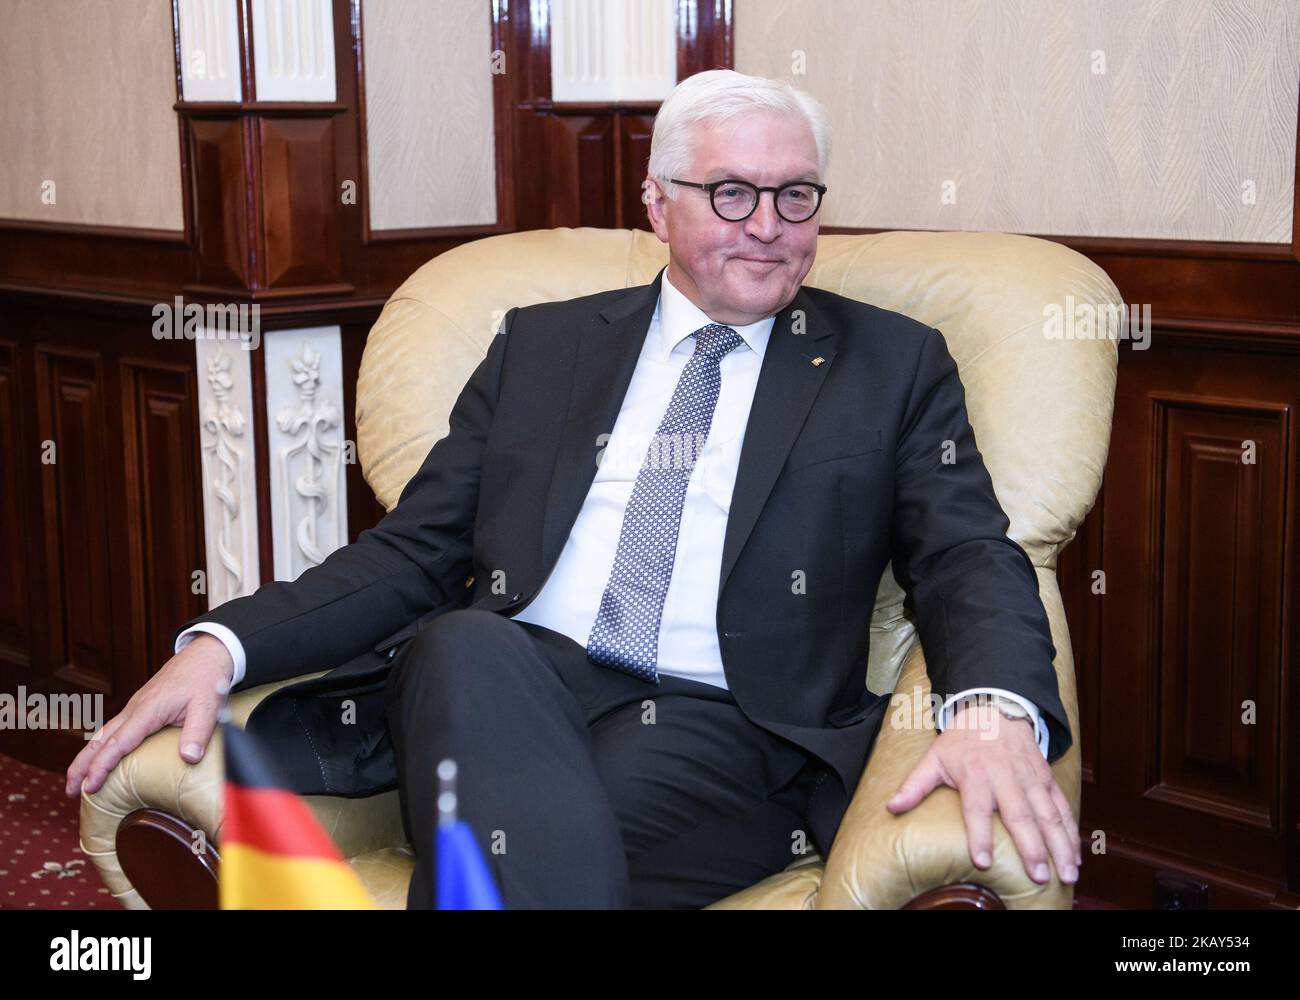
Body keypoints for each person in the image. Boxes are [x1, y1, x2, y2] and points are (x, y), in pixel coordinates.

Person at [67, 69, 1080, 908]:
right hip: (506, 686)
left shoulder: (889, 365)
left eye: (795, 194)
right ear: (656, 203)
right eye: (731, 191)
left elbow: (967, 553)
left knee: (513, 855)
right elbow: (412, 551)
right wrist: (221, 641)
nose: (767, 224)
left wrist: (991, 704)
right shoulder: (543, 348)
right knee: (461, 638)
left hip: (722, 724)